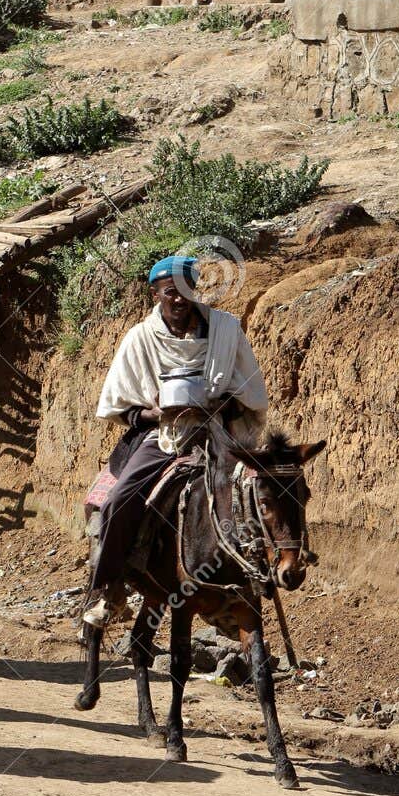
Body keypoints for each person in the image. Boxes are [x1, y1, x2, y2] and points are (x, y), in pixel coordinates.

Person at [81, 256, 268, 628]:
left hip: (219, 432)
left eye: (186, 291)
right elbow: (123, 408)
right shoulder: (140, 339)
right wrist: (159, 413)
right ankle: (108, 589)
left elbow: (250, 392)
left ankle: (262, 573)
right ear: (156, 294)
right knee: (120, 499)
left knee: (265, 489)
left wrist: (214, 405)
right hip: (164, 435)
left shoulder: (225, 330)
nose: (180, 299)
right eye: (171, 293)